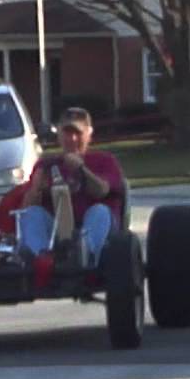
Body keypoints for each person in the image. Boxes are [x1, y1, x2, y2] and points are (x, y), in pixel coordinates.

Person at [17, 108, 126, 265]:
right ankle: (41, 259)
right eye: (67, 133)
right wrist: (37, 187)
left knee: (99, 211)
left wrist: (82, 169)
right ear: (59, 135)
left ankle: (84, 256)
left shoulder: (104, 160)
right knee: (33, 213)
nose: (72, 139)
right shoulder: (46, 164)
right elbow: (25, 209)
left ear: (89, 134)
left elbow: (102, 191)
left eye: (78, 133)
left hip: (97, 229)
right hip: (57, 231)